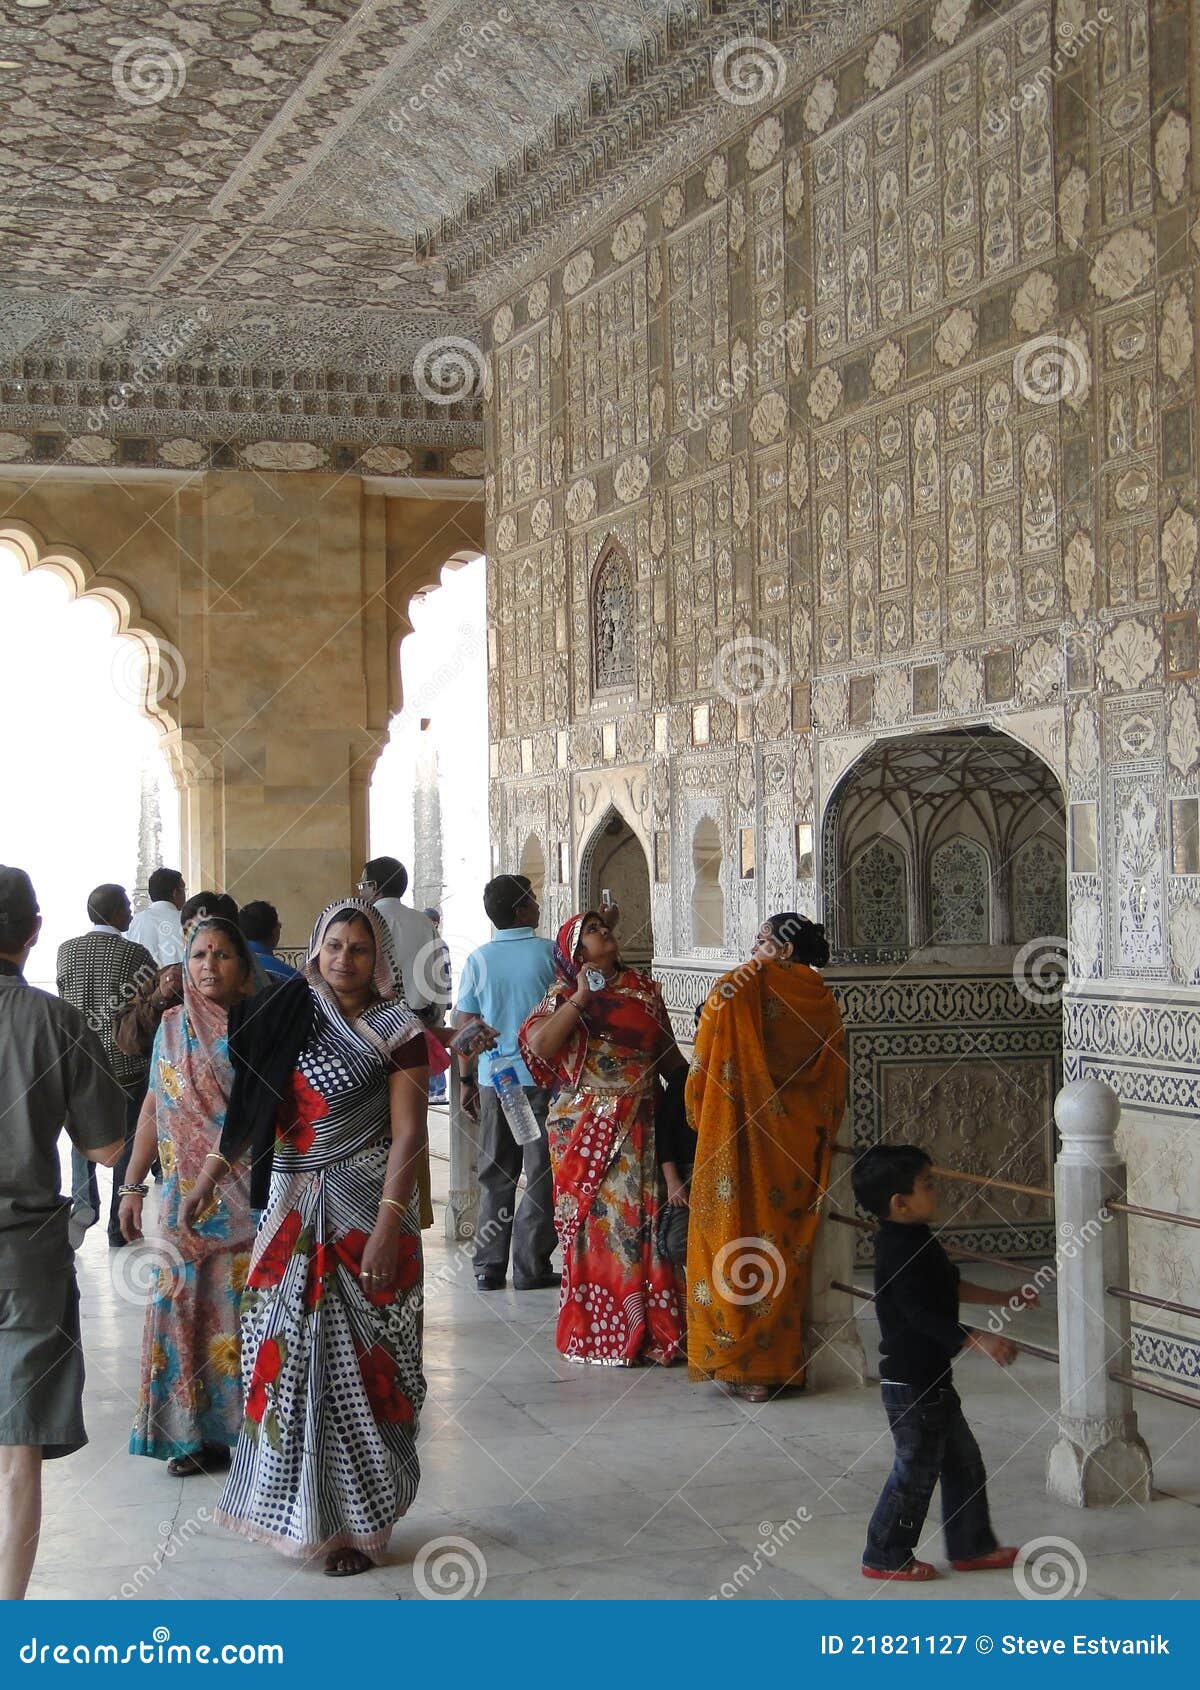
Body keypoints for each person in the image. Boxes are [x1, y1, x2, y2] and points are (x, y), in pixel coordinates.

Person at [180, 900, 435, 1577]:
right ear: (314, 949)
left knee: (369, 1364)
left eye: (358, 948)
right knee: (290, 1363)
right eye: (333, 945)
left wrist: (386, 1226)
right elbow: (251, 1109)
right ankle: (307, 1517)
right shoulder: (285, 1014)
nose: (344, 959)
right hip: (289, 1212)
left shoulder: (398, 1029)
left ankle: (360, 1523)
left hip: (364, 1210)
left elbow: (409, 1134)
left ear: (378, 957)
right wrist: (208, 1178)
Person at [0, 867, 125, 1600]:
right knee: (18, 1451)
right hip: (26, 1259)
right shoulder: (52, 1020)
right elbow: (107, 1147)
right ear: (34, 932)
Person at [851, 1143, 1034, 1581]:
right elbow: (920, 1315)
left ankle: (971, 1547)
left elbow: (948, 1287)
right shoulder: (899, 1249)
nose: (936, 1191)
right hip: (912, 1384)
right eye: (927, 1185)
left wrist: (1003, 1298)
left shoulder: (917, 1239)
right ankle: (885, 1553)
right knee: (915, 1470)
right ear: (899, 1203)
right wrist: (979, 1339)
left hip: (932, 1379)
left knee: (962, 1462)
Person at [686, 913, 847, 1402]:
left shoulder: (743, 987)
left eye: (761, 940)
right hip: (794, 1149)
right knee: (778, 1248)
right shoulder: (822, 1000)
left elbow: (706, 1050)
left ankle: (734, 1361)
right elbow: (830, 1082)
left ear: (783, 949)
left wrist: (700, 1103)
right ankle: (767, 1368)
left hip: (737, 1141)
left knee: (731, 1236)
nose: (753, 949)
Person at [119, 918, 257, 1476]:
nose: (208, 965)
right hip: (181, 1199)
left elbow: (264, 1115)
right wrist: (132, 1185)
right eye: (199, 954)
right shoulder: (171, 1026)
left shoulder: (258, 1027)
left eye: (222, 955)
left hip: (243, 1196)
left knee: (238, 1317)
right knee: (183, 1310)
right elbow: (155, 1105)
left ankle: (246, 1434)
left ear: (242, 968)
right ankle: (189, 1437)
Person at [520, 909, 688, 1365]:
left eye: (602, 926)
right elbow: (539, 1048)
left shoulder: (643, 990)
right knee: (598, 1228)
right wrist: (581, 997)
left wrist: (700, 1090)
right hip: (587, 1128)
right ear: (576, 954)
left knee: (643, 1225)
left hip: (643, 1123)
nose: (603, 933)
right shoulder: (562, 995)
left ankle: (653, 1330)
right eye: (590, 931)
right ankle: (600, 1332)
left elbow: (668, 1056)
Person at [454, 874, 558, 1292]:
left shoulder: (478, 960)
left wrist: (465, 1081)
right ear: (521, 910)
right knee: (539, 1172)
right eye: (532, 898)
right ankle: (531, 1266)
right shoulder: (549, 954)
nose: (537, 903)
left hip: (496, 1080)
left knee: (495, 1172)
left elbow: (465, 1027)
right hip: (541, 1078)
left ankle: (488, 1267)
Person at [56, 884, 158, 1247]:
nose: (131, 912)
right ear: (115, 912)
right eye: (127, 906)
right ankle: (119, 1225)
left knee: (81, 1133)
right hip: (123, 1065)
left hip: (76, 1061)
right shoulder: (135, 954)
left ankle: (84, 1204)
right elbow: (151, 1005)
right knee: (126, 1140)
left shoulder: (65, 951)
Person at [358, 857, 441, 1022]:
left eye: (362, 885)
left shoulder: (363, 920)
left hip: (377, 1021)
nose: (359, 892)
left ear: (374, 887)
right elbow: (439, 970)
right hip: (420, 1019)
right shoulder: (424, 922)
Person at [127, 868, 186, 965]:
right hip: (178, 978)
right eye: (183, 890)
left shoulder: (136, 921)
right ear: (175, 893)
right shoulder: (186, 920)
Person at [238, 901, 298, 982]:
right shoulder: (291, 977)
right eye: (277, 923)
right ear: (273, 931)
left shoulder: (230, 967)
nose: (280, 925)